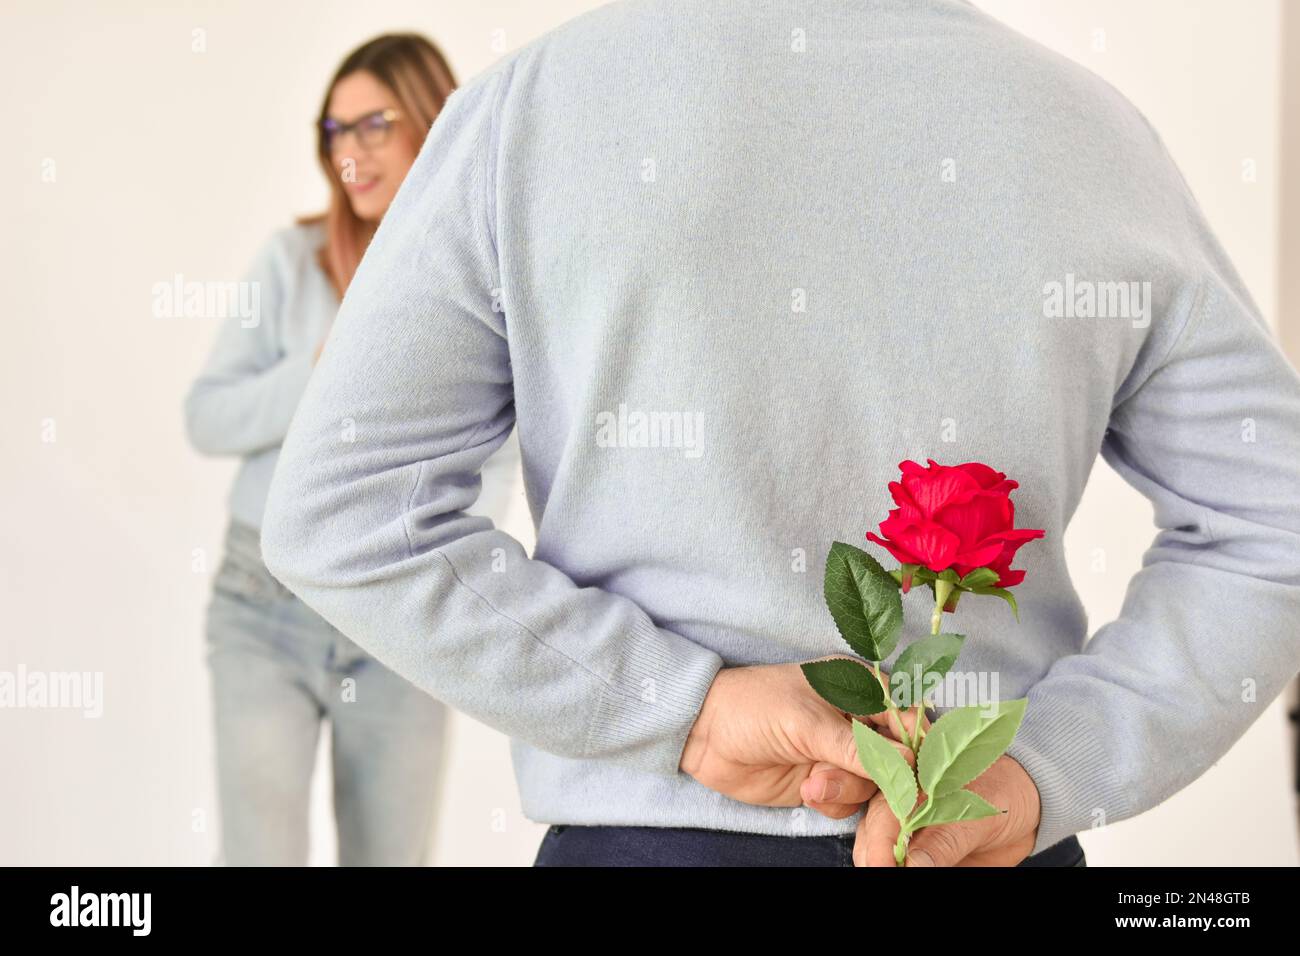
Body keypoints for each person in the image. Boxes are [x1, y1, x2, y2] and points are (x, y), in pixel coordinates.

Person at [257, 0, 1300, 867]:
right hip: (978, 838)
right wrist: (1045, 766)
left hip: (644, 845)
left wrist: (688, 711)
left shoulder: (533, 111)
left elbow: (341, 511)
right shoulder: (1094, 133)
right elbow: (1277, 517)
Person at [184, 33, 522, 866]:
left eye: (373, 124)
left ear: (429, 119)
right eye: (335, 131)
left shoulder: (481, 281)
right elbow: (207, 417)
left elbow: (498, 459)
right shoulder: (292, 262)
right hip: (262, 605)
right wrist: (319, 368)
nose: (351, 153)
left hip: (398, 619)